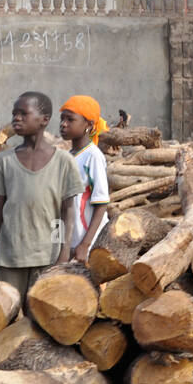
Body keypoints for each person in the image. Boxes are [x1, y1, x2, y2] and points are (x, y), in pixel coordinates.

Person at [0, 91, 85, 297]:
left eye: (23, 113)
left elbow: (67, 213)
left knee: (41, 318)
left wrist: (63, 253)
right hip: (10, 257)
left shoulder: (63, 162)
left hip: (47, 257)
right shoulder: (3, 162)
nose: (16, 118)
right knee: (5, 314)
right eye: (14, 113)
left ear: (44, 120)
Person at [58, 95, 111, 265]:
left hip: (87, 242)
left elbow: (101, 203)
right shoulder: (67, 157)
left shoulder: (93, 156)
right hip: (69, 242)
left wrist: (85, 244)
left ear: (88, 125)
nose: (63, 124)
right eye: (62, 118)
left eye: (70, 119)